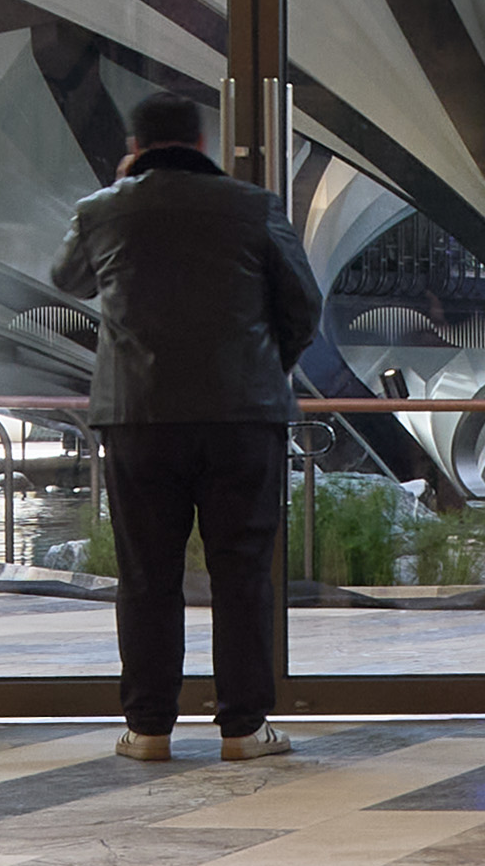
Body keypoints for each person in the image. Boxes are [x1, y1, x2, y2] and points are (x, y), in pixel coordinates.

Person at [51, 78, 307, 761]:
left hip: (138, 417)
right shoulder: (253, 206)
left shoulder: (102, 210)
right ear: (202, 142)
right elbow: (302, 302)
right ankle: (244, 728)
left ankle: (147, 728)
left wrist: (117, 191)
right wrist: (263, 364)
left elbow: (65, 279)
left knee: (146, 573)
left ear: (133, 147)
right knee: (242, 570)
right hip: (241, 417)